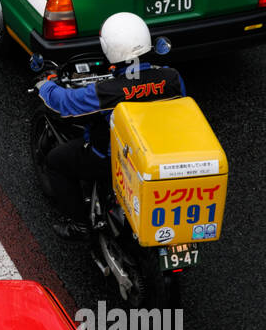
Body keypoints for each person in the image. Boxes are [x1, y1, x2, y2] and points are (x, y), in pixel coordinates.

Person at [37, 12, 185, 239]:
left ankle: (79, 225)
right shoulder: (172, 76)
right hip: (161, 152)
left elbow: (64, 103)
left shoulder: (106, 92)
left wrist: (47, 85)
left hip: (111, 159)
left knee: (56, 161)